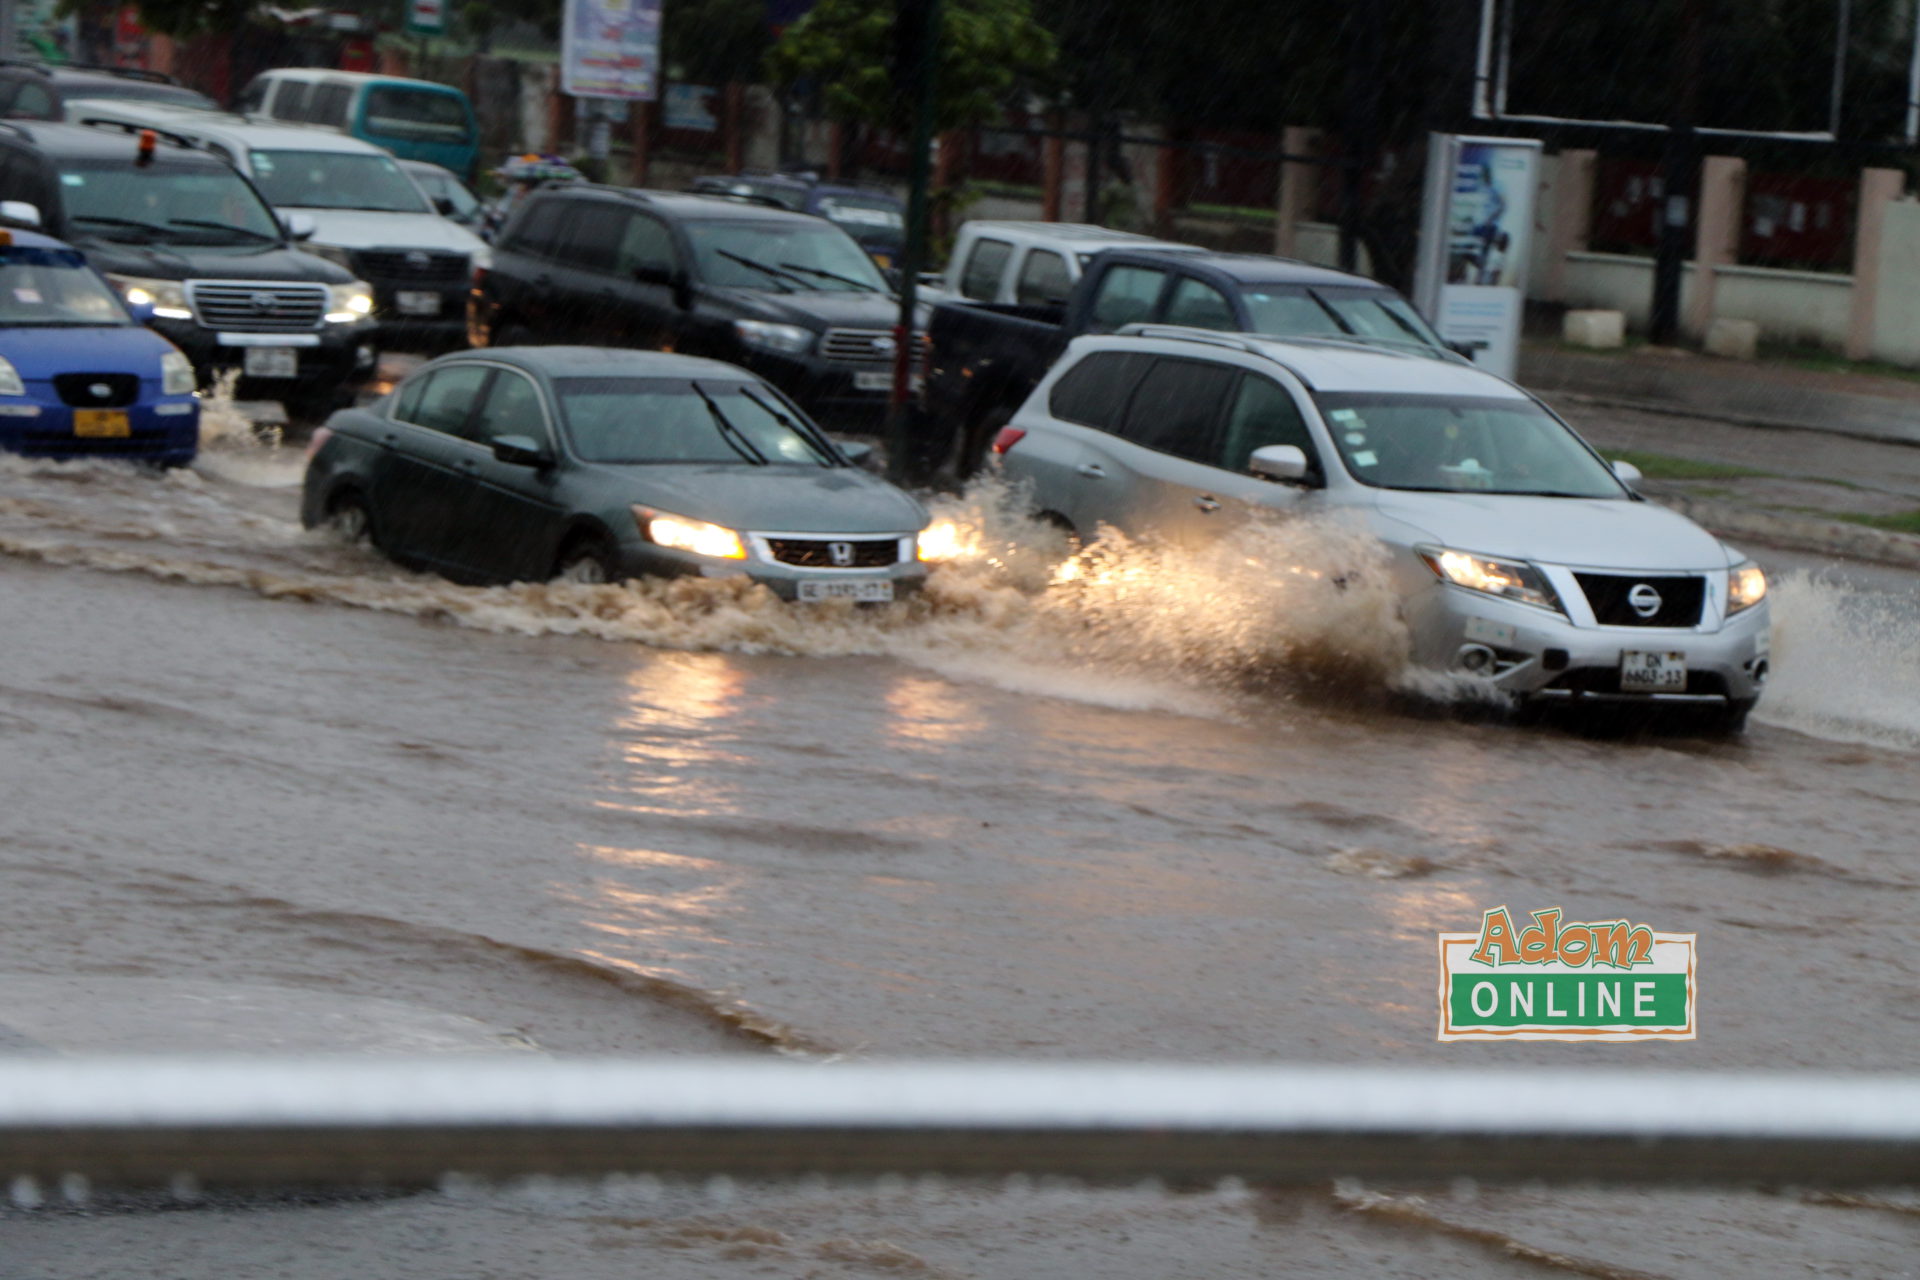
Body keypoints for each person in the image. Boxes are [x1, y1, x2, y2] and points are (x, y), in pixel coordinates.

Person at [479, 153, 585, 242]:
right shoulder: (516, 193)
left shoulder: (541, 200)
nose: (523, 190)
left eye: (526, 186)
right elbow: (500, 214)